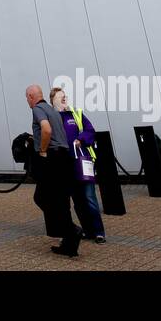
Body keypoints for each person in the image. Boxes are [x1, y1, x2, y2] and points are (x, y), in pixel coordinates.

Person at [26, 84, 81, 257]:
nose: (27, 101)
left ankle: (71, 230)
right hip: (64, 158)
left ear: (31, 96)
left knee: (41, 197)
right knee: (61, 200)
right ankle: (69, 244)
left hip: (52, 159)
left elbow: (46, 130)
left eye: (27, 98)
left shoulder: (38, 109)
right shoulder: (53, 111)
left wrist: (42, 150)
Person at [53, 87, 106, 244]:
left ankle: (99, 231)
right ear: (53, 100)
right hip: (67, 165)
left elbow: (90, 130)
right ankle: (88, 230)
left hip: (83, 162)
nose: (64, 98)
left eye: (65, 96)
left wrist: (81, 139)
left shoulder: (76, 114)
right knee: (78, 200)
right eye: (60, 97)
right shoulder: (53, 118)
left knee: (89, 197)